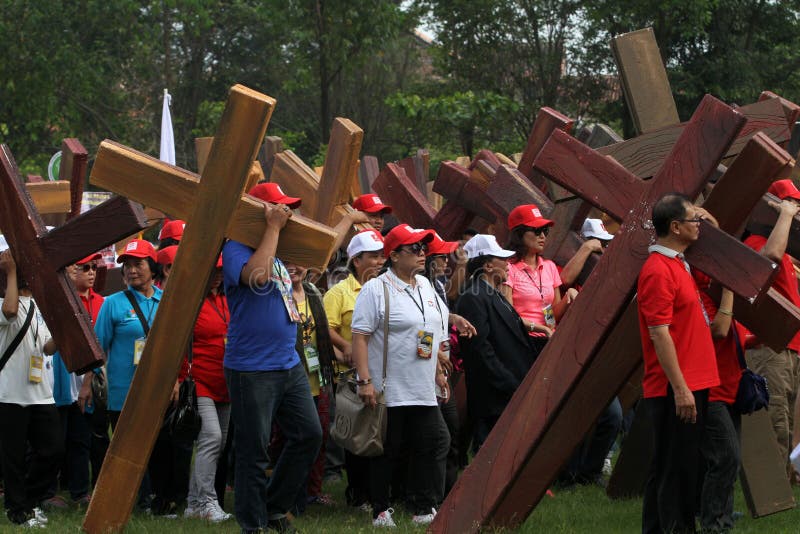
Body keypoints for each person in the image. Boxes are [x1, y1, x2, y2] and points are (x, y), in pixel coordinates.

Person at [223, 184, 322, 533]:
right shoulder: (235, 247)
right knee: (254, 451)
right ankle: (253, 525)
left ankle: (275, 507)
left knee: (309, 434)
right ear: (260, 210)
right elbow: (257, 276)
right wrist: (274, 228)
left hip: (288, 364)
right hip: (252, 369)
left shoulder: (276, 251)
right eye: (279, 207)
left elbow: (324, 250)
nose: (286, 213)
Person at [351, 224, 450, 528]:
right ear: (393, 255)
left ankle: (422, 505)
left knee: (429, 442)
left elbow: (426, 331)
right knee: (387, 448)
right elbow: (360, 337)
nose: (423, 253)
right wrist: (364, 381)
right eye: (415, 248)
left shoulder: (425, 286)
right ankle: (381, 509)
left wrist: (436, 370)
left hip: (422, 385)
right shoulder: (375, 289)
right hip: (388, 386)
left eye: (424, 248)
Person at [637, 193, 720, 534]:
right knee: (677, 470)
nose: (698, 224)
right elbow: (659, 334)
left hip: (693, 382)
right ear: (674, 227)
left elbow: (713, 231)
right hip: (677, 386)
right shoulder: (658, 270)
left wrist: (704, 216)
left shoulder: (678, 263)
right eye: (692, 220)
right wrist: (681, 388)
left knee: (678, 466)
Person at [93, 238, 166, 513]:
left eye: (138, 264)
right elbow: (98, 348)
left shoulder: (166, 300)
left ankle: (158, 498)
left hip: (156, 389)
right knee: (126, 450)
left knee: (156, 446)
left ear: (152, 267)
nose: (132, 271)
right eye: (127, 266)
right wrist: (91, 385)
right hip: (122, 390)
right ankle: (135, 501)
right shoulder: (112, 304)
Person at [456, 234, 540, 451]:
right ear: (488, 265)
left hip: (508, 392)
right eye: (503, 259)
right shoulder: (473, 297)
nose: (509, 264)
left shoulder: (493, 294)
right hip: (494, 397)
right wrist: (510, 383)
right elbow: (481, 350)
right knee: (492, 460)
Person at [324, 229, 385, 510]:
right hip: (352, 377)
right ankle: (358, 494)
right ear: (356, 261)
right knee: (357, 435)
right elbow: (326, 327)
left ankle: (378, 491)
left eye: (381, 256)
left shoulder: (387, 287)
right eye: (373, 257)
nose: (379, 261)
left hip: (385, 373)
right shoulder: (339, 292)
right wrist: (347, 345)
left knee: (380, 434)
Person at [743, 179, 800, 474]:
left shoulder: (789, 254)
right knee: (775, 420)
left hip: (790, 347)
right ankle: (772, 488)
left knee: (788, 420)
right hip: (768, 347)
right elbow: (770, 258)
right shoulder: (757, 243)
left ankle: (786, 483)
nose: (795, 209)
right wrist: (786, 216)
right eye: (789, 203)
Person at [0, 249, 60, 528]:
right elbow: (10, 313)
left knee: (52, 451)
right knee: (12, 457)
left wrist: (63, 332)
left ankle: (29, 500)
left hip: (40, 394)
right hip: (9, 393)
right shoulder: (3, 302)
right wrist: (10, 271)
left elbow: (46, 347)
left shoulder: (37, 305)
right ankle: (17, 511)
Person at [48, 253, 104, 508]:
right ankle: (48, 491)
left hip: (82, 381)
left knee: (81, 440)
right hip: (56, 381)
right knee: (53, 442)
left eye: (94, 267)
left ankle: (80, 492)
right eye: (84, 267)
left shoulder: (100, 303)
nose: (91, 272)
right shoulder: (53, 299)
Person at [182, 256, 233, 523]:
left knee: (217, 443)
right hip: (199, 381)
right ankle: (207, 502)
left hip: (225, 382)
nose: (217, 275)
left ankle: (193, 505)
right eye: (212, 269)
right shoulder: (191, 301)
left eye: (221, 270)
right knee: (212, 437)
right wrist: (178, 379)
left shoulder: (228, 300)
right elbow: (178, 342)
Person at [693, 271, 740, 532]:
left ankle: (723, 515)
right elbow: (719, 329)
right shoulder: (701, 294)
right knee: (725, 457)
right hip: (710, 390)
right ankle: (714, 523)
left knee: (728, 459)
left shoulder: (716, 295)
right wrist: (730, 290)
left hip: (729, 388)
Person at [502, 205, 577, 348]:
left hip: (550, 339)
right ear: (519, 234)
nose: (542, 236)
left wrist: (569, 297)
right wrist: (541, 329)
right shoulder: (508, 268)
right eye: (537, 231)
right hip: (524, 341)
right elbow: (509, 316)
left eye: (545, 231)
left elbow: (553, 315)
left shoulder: (549, 266)